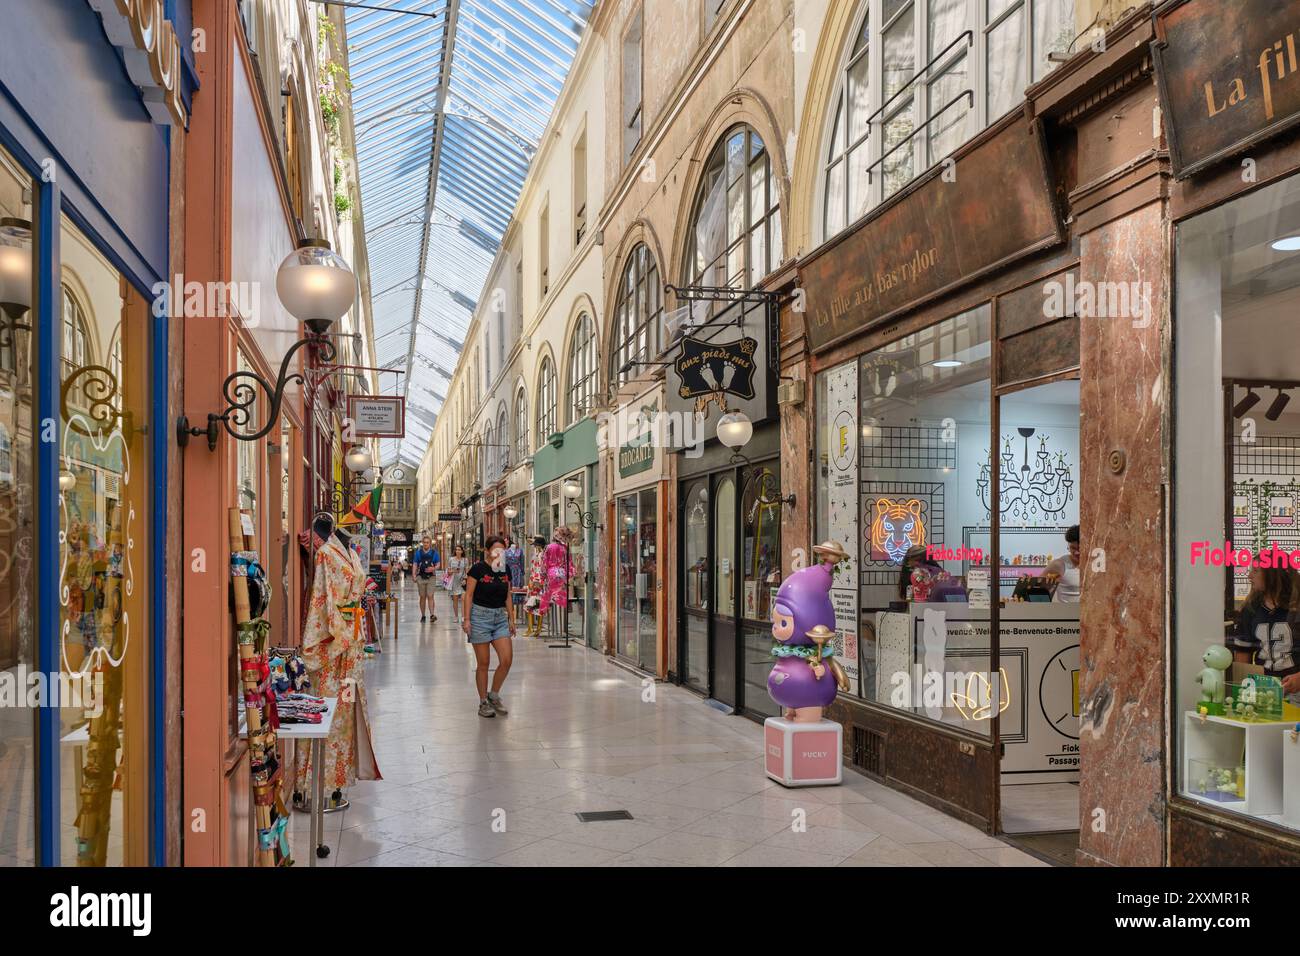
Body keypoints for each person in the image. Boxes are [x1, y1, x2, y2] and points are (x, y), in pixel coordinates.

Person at [463, 535, 515, 717]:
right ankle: (483, 702)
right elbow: (468, 595)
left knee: (506, 660)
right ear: (487, 551)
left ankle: (494, 695)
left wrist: (511, 618)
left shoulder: (505, 568)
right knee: (483, 663)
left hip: (500, 617)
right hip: (479, 617)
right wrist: (467, 619)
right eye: (496, 550)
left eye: (502, 550)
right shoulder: (477, 569)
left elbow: (508, 594)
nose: (499, 553)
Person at [1232, 565, 1300, 694]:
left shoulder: (1296, 607)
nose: (1249, 576)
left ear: (1273, 575)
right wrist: (1244, 693)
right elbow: (1243, 655)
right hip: (1264, 688)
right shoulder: (1250, 609)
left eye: (1256, 571)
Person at [1043, 525, 1082, 603]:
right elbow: (1036, 587)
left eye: (1080, 548)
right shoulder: (1058, 564)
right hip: (1067, 613)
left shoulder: (1096, 564)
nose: (1076, 552)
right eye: (1073, 548)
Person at [411, 535, 441, 622]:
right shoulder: (418, 553)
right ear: (422, 543)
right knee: (422, 597)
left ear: (430, 543)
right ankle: (423, 615)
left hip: (431, 577)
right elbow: (415, 564)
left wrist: (433, 568)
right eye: (424, 542)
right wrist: (413, 575)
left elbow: (438, 564)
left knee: (430, 595)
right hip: (421, 577)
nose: (426, 544)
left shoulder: (434, 553)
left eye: (427, 542)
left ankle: (432, 615)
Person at [524, 535, 546, 636]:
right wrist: (531, 580)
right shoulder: (537, 554)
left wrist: (539, 581)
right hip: (533, 581)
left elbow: (542, 569)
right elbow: (534, 568)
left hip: (539, 582)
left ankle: (538, 628)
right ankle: (531, 628)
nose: (534, 547)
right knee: (529, 605)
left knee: (538, 605)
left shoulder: (543, 555)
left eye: (535, 545)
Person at [446, 546, 468, 624]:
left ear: (462, 551)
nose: (457, 551)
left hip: (462, 582)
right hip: (453, 581)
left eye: (459, 550)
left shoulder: (465, 560)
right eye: (456, 550)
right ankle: (456, 616)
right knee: (455, 599)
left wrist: (465, 579)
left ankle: (463, 616)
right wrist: (453, 571)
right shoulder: (451, 559)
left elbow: (466, 571)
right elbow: (448, 571)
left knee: (463, 599)